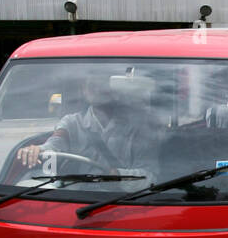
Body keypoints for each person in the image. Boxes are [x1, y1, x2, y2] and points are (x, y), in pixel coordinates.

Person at [19, 73, 152, 173]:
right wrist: (38, 150)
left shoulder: (136, 127)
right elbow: (54, 144)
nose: (97, 89)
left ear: (113, 90)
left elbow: (149, 175)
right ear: (84, 90)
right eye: (91, 85)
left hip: (124, 200)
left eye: (102, 85)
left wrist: (118, 175)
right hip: (75, 196)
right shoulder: (71, 123)